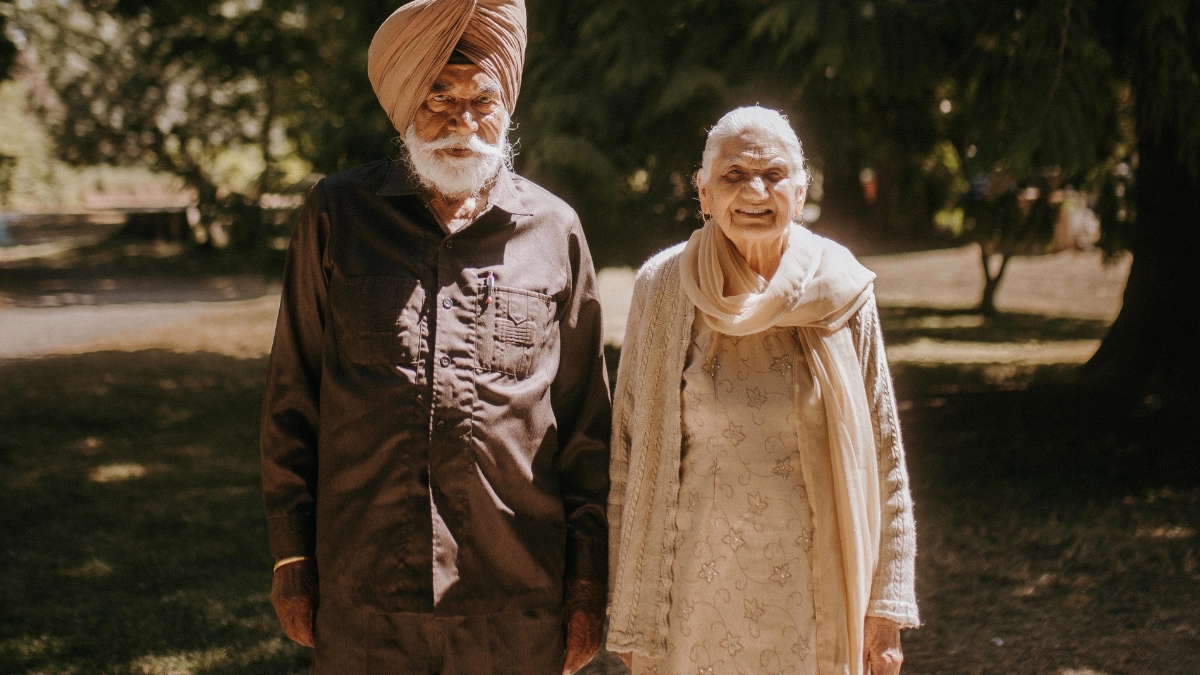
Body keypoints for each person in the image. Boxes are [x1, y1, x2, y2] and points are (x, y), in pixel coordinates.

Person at [259, 1, 611, 673]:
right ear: (405, 108)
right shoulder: (337, 214)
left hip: (515, 598)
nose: (462, 121)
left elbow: (588, 426)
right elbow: (290, 399)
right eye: (438, 98)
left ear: (507, 109)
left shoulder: (555, 230)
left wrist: (587, 584)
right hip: (365, 598)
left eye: (482, 100)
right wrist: (292, 557)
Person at [606, 106, 919, 675]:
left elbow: (884, 455)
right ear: (703, 192)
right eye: (733, 175)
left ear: (800, 194)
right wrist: (629, 611)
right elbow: (630, 454)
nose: (755, 190)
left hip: (818, 607)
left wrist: (887, 611)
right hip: (688, 607)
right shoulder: (663, 286)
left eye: (773, 175)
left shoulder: (842, 289)